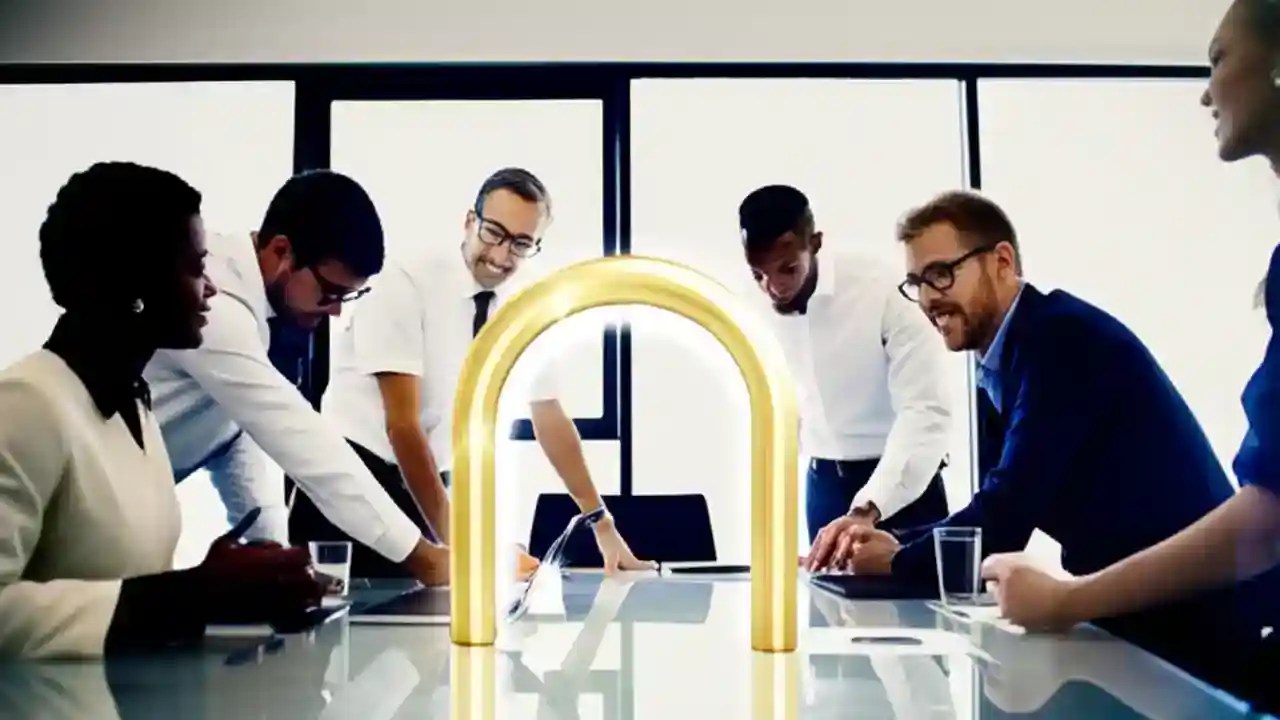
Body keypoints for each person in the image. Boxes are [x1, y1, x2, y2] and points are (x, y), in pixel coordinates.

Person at [805, 189, 1272, 690]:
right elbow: (996, 507)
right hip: (1138, 611)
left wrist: (896, 559)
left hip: (1197, 620)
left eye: (940, 274)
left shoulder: (1060, 340)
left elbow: (1008, 515)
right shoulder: (1003, 359)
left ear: (1002, 261)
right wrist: (898, 544)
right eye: (916, 283)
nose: (927, 299)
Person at [980, 0, 1280, 711]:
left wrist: (1067, 599)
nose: (1206, 91)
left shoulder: (1060, 337)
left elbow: (1268, 518)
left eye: (1218, 59)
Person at [0, 162, 323, 658]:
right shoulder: (26, 404)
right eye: (196, 268)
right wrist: (192, 595)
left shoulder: (136, 407)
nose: (212, 288)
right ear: (138, 285)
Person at [310, 167, 651, 575]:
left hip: (426, 487)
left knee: (434, 629)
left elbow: (550, 418)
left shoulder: (524, 303)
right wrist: (473, 549)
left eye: (522, 243)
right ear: (470, 221)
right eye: (494, 233)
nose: (502, 256)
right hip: (356, 479)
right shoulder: (406, 281)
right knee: (347, 630)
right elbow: (402, 425)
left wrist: (602, 524)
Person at [143, 169, 447, 587]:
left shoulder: (256, 316)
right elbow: (304, 443)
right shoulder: (215, 308)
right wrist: (423, 556)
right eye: (331, 292)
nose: (336, 311)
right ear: (282, 251)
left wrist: (276, 559)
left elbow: (238, 438)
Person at [737, 185, 953, 544]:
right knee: (825, 599)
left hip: (905, 486)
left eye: (787, 269)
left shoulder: (881, 289)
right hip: (823, 488)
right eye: (758, 274)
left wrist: (868, 508)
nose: (773, 287)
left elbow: (925, 411)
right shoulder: (750, 308)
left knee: (919, 598)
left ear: (816, 244)